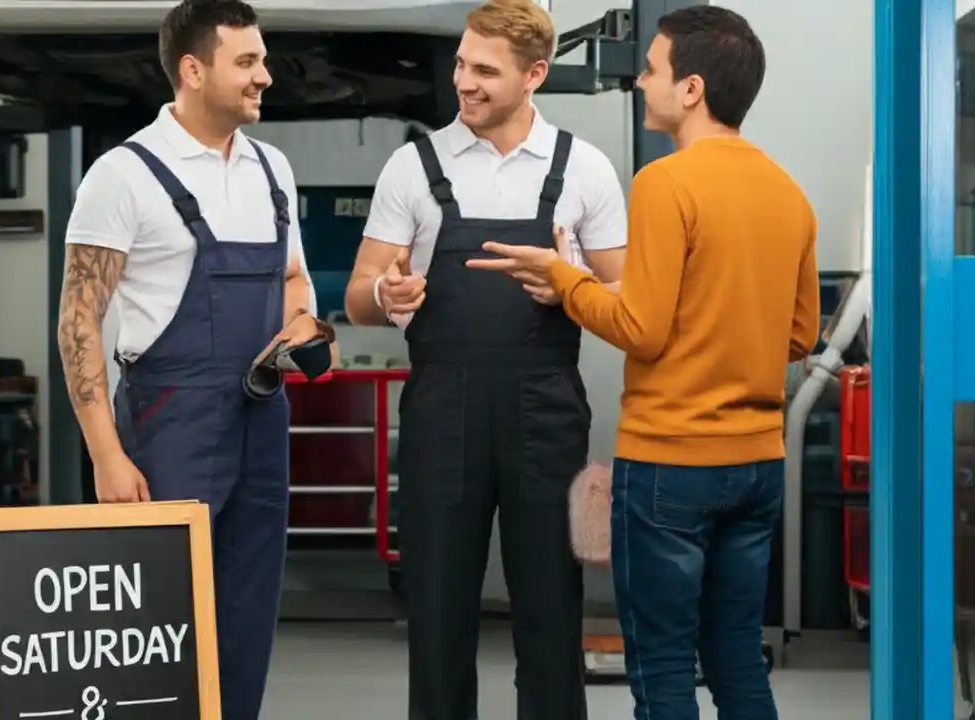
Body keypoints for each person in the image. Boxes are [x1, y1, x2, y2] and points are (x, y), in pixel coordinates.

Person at [468, 7, 820, 720]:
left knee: (662, 666)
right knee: (735, 656)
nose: (638, 82)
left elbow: (641, 329)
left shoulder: (666, 183)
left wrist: (566, 281)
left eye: (651, 70)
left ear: (691, 89)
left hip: (670, 468)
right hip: (757, 465)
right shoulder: (788, 192)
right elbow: (799, 335)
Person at [344, 1, 627, 717]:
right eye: (461, 64)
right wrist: (386, 292)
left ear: (535, 75)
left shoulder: (583, 169)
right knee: (437, 611)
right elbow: (358, 296)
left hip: (547, 412)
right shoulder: (414, 167)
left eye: (486, 71)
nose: (464, 82)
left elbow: (630, 302)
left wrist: (571, 285)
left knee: (551, 610)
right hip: (443, 411)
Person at [54, 1, 331, 717]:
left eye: (263, 60)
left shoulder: (272, 168)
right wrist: (106, 457)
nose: (265, 76)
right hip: (168, 422)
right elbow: (78, 320)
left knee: (245, 621)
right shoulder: (124, 175)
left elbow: (293, 277)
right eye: (247, 62)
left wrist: (301, 324)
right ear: (193, 69)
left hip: (261, 416)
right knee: (157, 625)